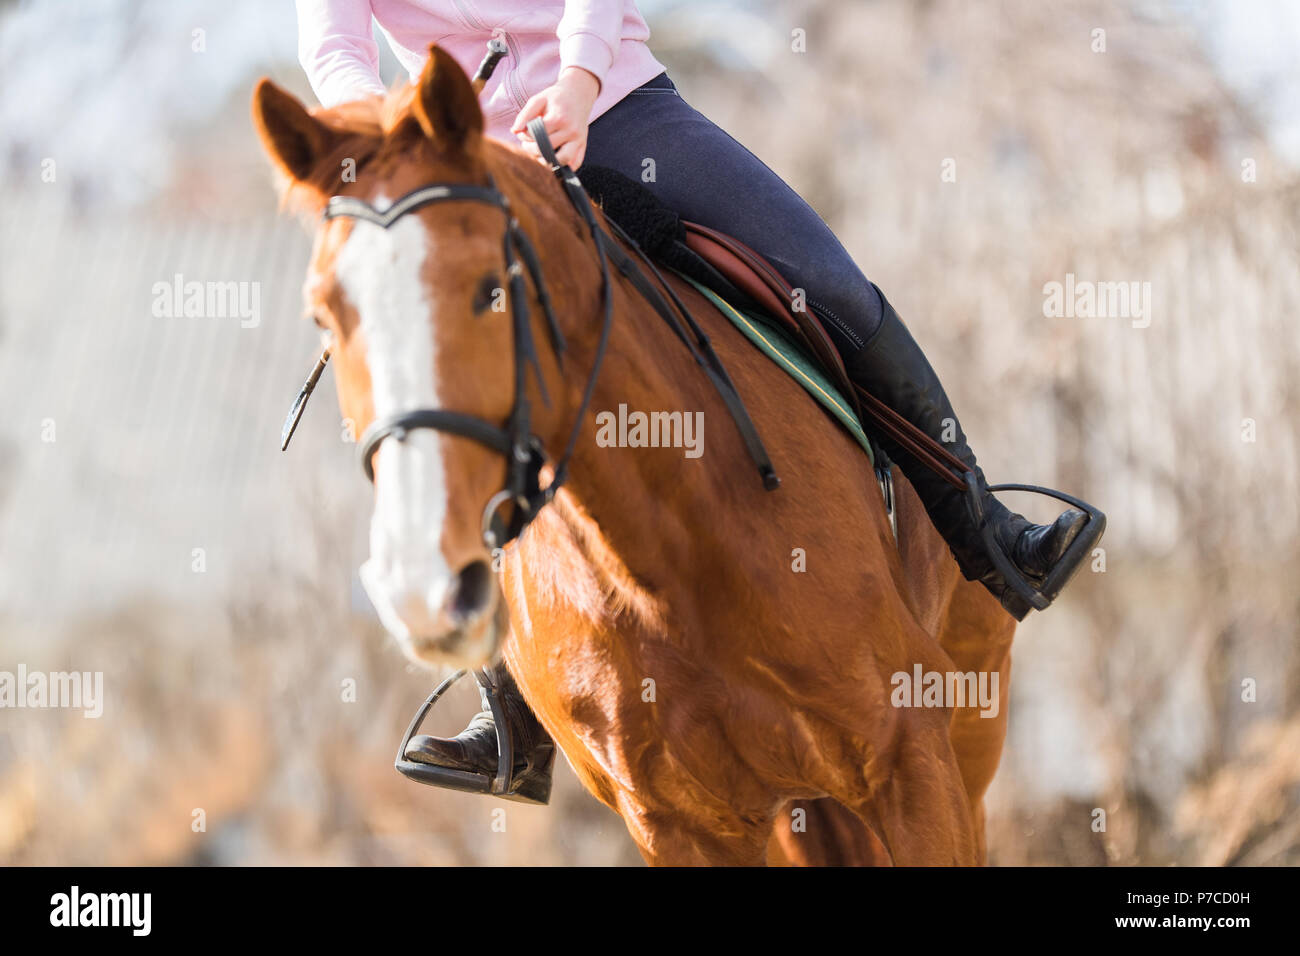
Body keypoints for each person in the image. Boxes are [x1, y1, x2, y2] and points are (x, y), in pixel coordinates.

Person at [295, 1, 1104, 799]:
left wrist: (575, 81)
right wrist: (387, 141)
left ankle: (983, 528)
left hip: (612, 107)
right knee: (448, 378)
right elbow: (334, 43)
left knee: (826, 286)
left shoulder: (600, 93)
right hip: (467, 169)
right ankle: (507, 701)